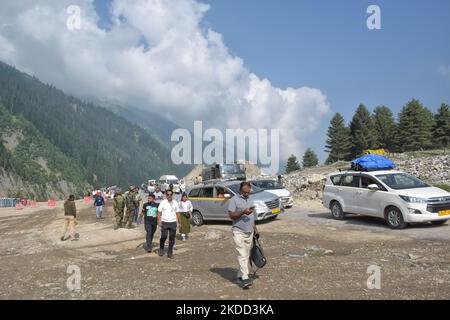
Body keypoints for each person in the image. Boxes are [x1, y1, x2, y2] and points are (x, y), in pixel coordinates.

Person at [227, 181, 259, 289]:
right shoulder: (234, 200)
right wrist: (242, 212)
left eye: (248, 192)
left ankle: (240, 275)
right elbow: (231, 215)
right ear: (240, 190)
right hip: (238, 231)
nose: (246, 194)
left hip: (249, 231)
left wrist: (255, 228)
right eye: (245, 192)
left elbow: (252, 216)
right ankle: (245, 277)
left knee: (246, 254)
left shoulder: (250, 199)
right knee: (241, 253)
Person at [157, 190, 180, 259]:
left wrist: (179, 222)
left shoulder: (175, 203)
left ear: (172, 195)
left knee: (172, 238)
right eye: (168, 194)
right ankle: (161, 248)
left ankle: (170, 252)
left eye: (170, 194)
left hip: (173, 222)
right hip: (165, 222)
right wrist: (159, 221)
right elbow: (159, 212)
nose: (169, 196)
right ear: (166, 195)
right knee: (163, 236)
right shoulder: (162, 202)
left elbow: (178, 213)